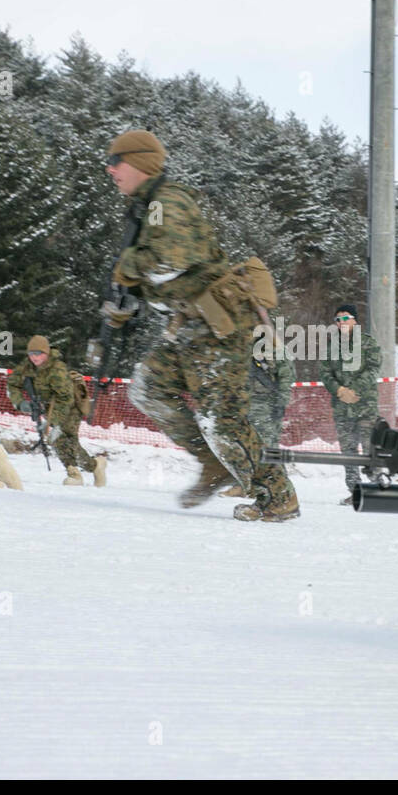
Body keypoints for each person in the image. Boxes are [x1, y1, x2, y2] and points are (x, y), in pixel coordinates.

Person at [104, 128, 298, 522]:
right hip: (188, 328)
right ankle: (212, 463)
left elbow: (169, 259)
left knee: (221, 419)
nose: (110, 170)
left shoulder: (167, 201)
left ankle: (277, 497)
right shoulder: (146, 208)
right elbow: (165, 276)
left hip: (217, 328)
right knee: (150, 388)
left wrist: (127, 269)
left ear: (140, 162)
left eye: (115, 161)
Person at [6, 335, 107, 487]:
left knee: (62, 439)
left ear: (46, 353)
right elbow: (13, 384)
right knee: (59, 440)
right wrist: (20, 403)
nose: (34, 357)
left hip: (70, 406)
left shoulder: (57, 369)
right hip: (51, 406)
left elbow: (65, 399)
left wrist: (51, 422)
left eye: (38, 353)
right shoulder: (27, 366)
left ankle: (82, 470)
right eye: (31, 354)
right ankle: (86, 469)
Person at [222, 315, 297, 499]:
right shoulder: (241, 345)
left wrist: (281, 403)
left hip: (266, 405)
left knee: (269, 448)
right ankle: (244, 485)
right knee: (243, 446)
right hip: (244, 404)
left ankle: (282, 488)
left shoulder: (274, 346)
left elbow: (288, 374)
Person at [317, 303, 383, 504]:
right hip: (342, 407)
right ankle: (355, 490)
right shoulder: (331, 347)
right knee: (348, 450)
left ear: (355, 320)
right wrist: (339, 390)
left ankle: (379, 486)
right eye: (338, 319)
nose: (341, 322)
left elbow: (373, 369)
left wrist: (353, 390)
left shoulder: (368, 343)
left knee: (370, 447)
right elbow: (325, 373)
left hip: (364, 405)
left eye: (345, 318)